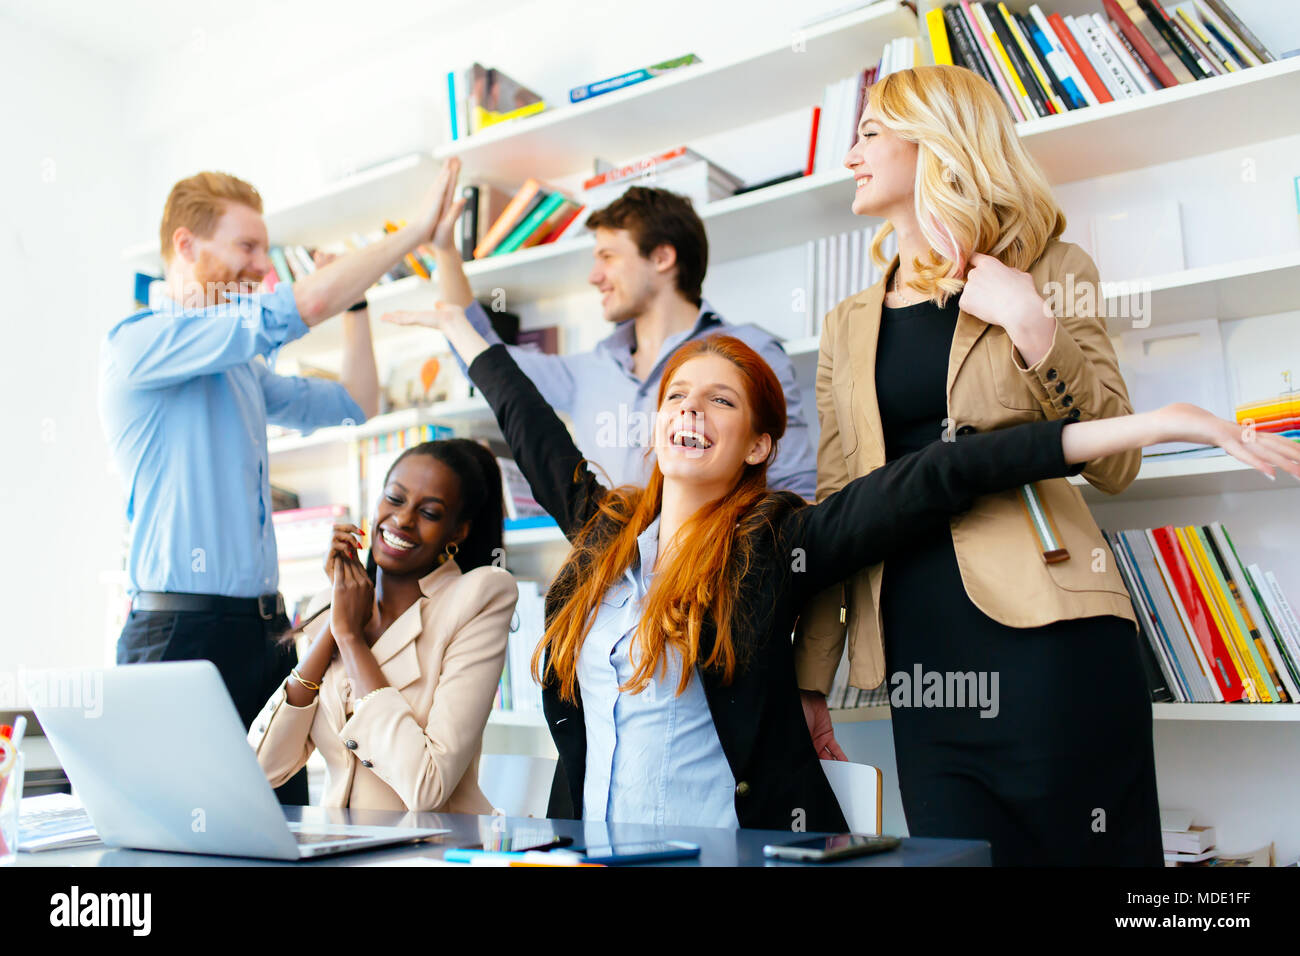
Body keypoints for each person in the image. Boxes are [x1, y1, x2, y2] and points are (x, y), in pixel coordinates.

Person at [379, 302, 1299, 834]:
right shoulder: (603, 529)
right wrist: (459, 326)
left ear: (759, 442)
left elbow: (944, 473)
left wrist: (1154, 425)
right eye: (676, 399)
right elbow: (530, 422)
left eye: (721, 401)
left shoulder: (779, 539)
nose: (688, 413)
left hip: (733, 852)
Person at [793, 64, 1171, 864]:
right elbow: (835, 511)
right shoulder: (847, 324)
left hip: (1051, 638)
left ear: (935, 140)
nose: (850, 157)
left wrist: (1032, 324)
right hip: (918, 659)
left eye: (868, 134)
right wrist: (810, 677)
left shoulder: (1049, 267)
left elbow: (1117, 458)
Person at [100, 161, 459, 804]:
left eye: (266, 250)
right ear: (186, 245)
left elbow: (357, 399)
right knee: (167, 832)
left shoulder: (241, 369)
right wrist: (415, 235)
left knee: (278, 830)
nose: (263, 265)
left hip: (262, 635)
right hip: (179, 638)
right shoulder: (138, 344)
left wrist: (356, 305)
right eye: (247, 246)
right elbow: (296, 307)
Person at [428, 160, 816, 497]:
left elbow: (793, 489)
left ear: (662, 257)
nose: (595, 277)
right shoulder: (586, 371)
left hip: (712, 572)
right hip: (614, 574)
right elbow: (483, 361)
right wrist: (446, 254)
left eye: (608, 257)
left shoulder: (750, 351)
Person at [247, 438, 518, 813]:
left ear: (457, 532)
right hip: (342, 850)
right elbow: (263, 769)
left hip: (434, 853)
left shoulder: (479, 596)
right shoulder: (329, 607)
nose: (403, 519)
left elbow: (427, 788)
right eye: (394, 499)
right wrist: (334, 620)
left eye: (430, 512)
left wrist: (351, 640)